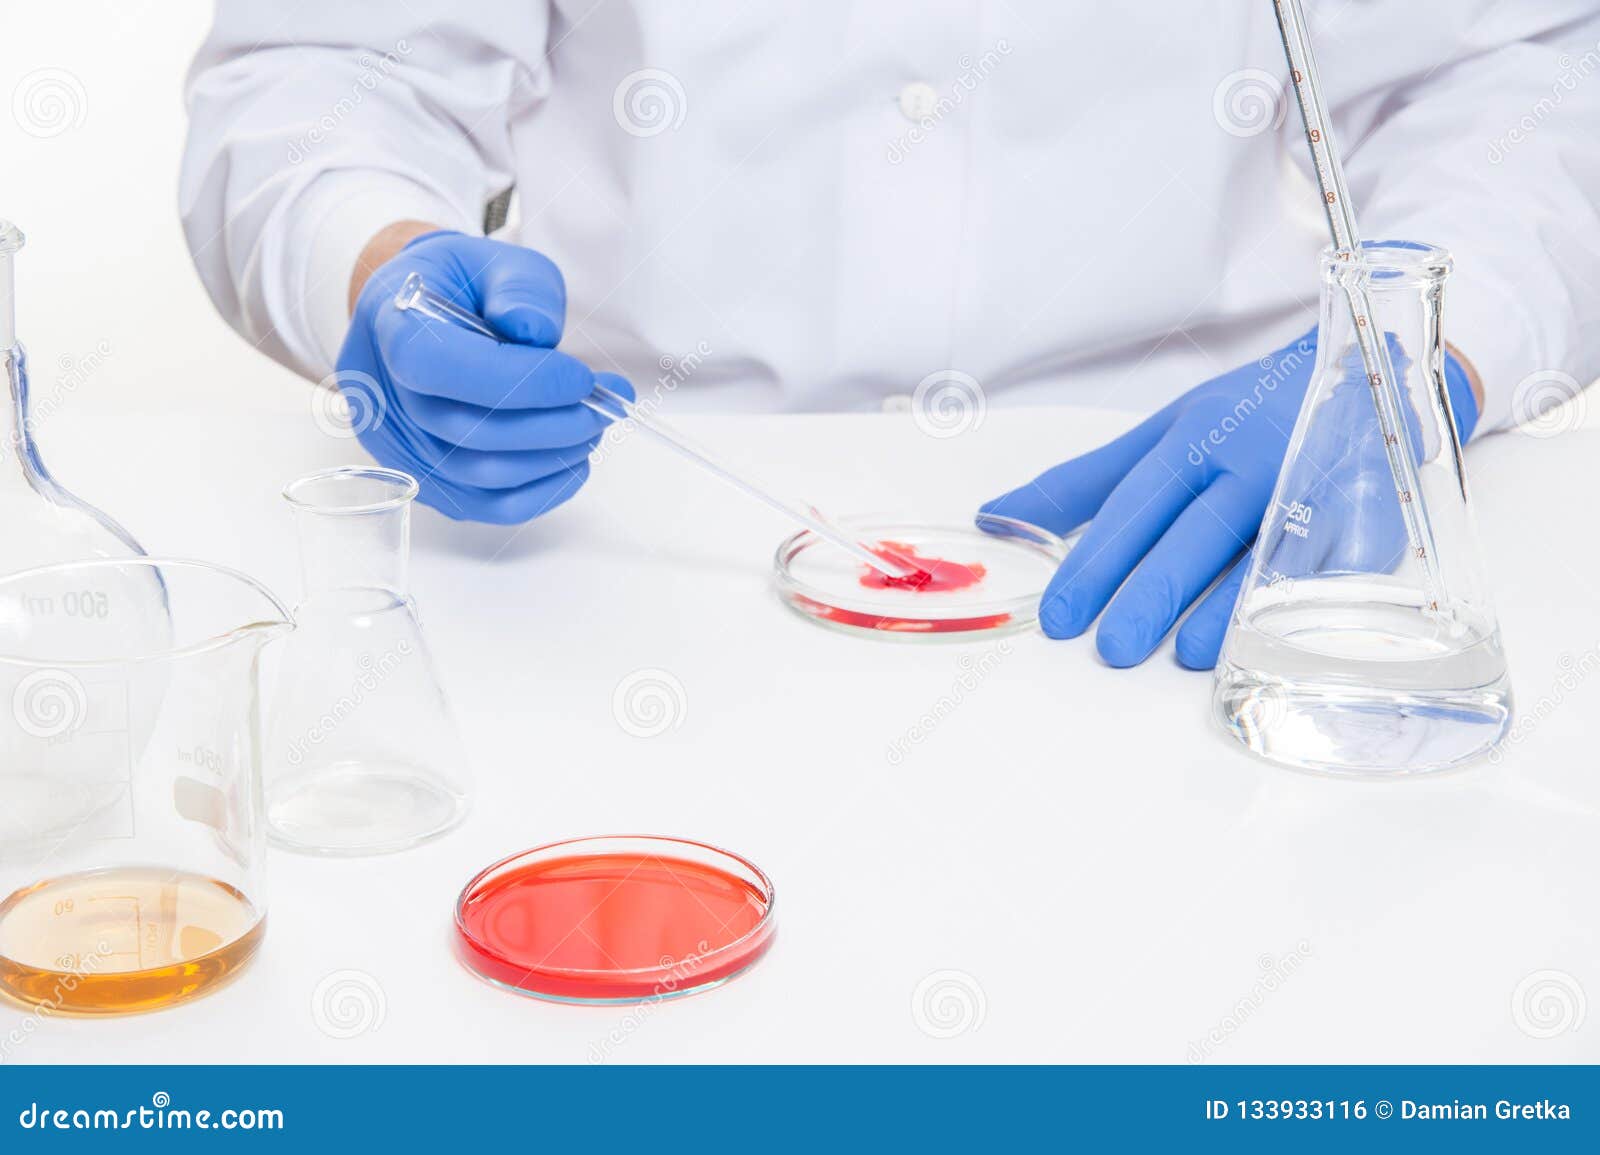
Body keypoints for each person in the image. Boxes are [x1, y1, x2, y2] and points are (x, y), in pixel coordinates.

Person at [180, 2, 1600, 668]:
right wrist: (383, 264)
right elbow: (334, 62)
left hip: (1201, 522)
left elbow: (1513, 74)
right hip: (612, 532)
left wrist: (1403, 363)